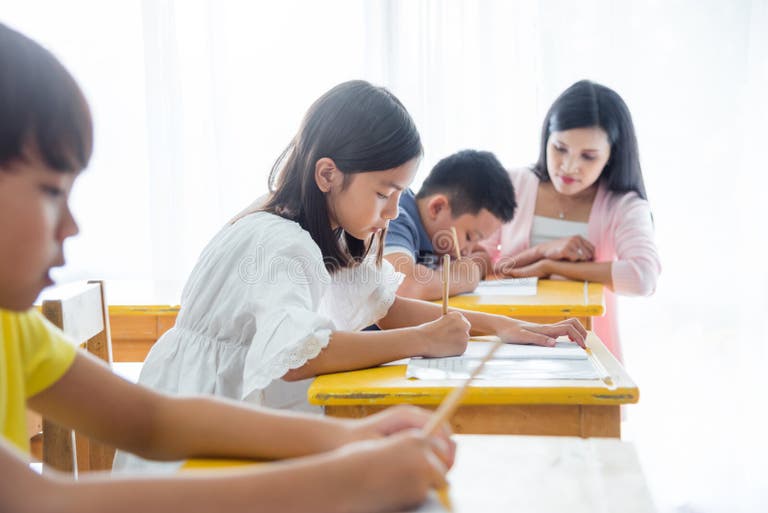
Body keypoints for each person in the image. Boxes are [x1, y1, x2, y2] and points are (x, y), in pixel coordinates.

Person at [0, 22, 457, 513]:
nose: (71, 225)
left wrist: (351, 435)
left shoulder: (15, 329)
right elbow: (41, 501)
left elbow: (155, 420)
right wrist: (347, 479)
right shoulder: (280, 240)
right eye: (51, 192)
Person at [116, 80, 586, 472]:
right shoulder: (281, 241)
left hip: (234, 419)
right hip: (197, 439)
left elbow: (387, 306)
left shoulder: (327, 233)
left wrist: (502, 327)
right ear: (328, 174)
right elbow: (300, 356)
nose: (395, 210)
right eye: (385, 192)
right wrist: (423, 339)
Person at [480, 80, 661, 359]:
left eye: (588, 156)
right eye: (560, 148)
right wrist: (542, 252)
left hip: (586, 345)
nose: (569, 166)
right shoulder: (512, 184)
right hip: (508, 339)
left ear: (611, 157)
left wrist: (552, 267)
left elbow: (643, 278)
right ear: (546, 139)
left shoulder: (623, 205)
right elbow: (478, 266)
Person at [384, 149, 517, 300]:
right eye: (469, 236)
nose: (468, 250)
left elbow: (482, 257)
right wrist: (462, 279)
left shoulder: (435, 235)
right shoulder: (394, 217)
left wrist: (474, 266)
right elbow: (403, 287)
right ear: (437, 208)